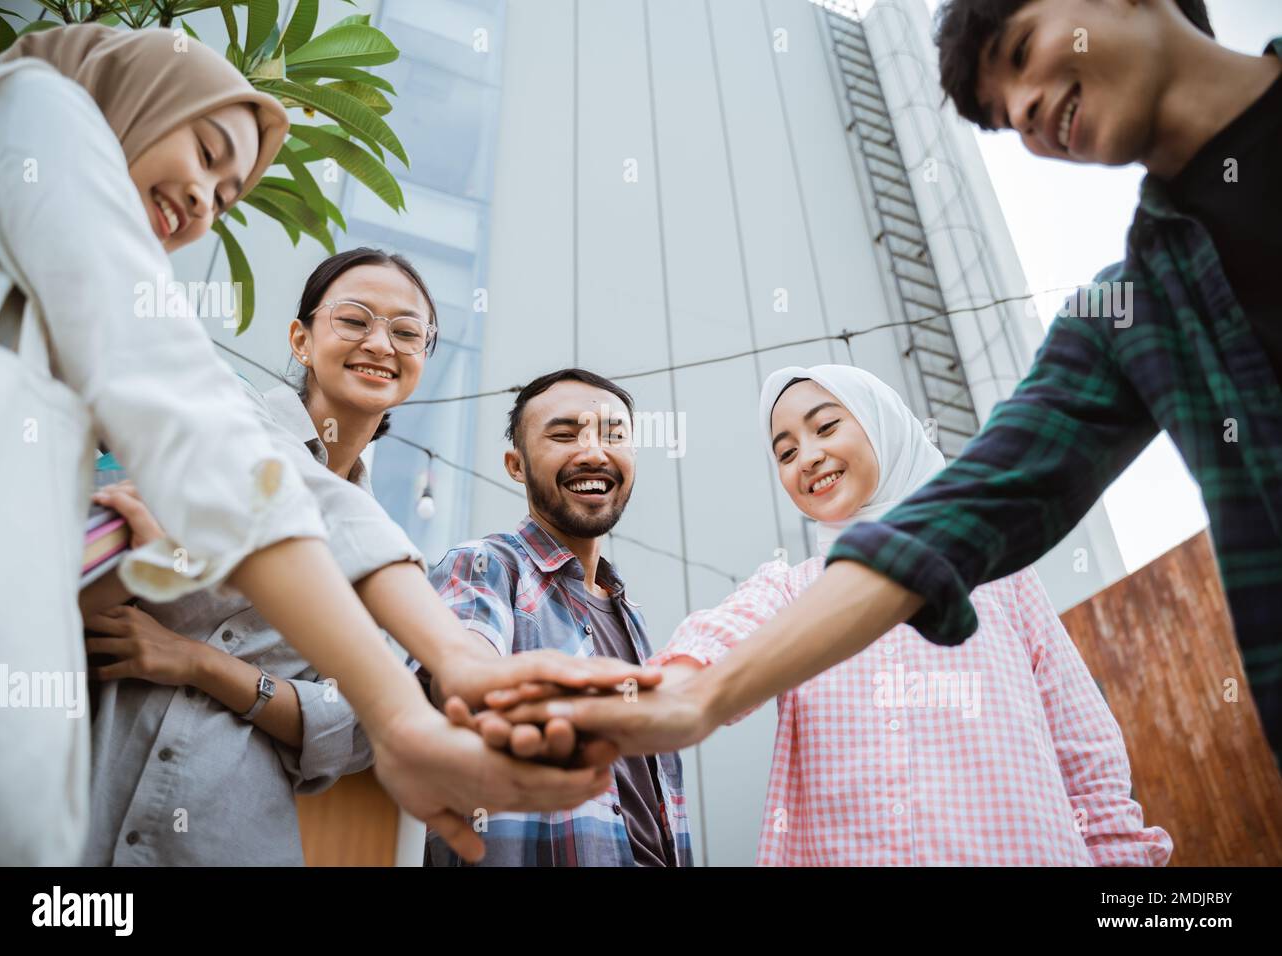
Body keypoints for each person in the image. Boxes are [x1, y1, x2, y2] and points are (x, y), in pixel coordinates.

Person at [478, 0, 1282, 771]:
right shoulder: (1132, 314)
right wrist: (697, 698)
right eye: (1007, 119)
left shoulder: (1023, 598)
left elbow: (1089, 762)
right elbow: (952, 520)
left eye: (1024, 53)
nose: (1031, 115)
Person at [0, 25, 618, 864]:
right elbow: (212, 448)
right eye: (206, 151)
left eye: (228, 190)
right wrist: (412, 689)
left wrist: (435, 669)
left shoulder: (381, 528)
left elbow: (337, 691)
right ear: (301, 335)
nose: (208, 200)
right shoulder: (36, 107)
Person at [649, 366, 1170, 865]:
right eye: (785, 453)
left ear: (885, 426)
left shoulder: (995, 571)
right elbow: (724, 635)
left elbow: (1083, 744)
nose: (806, 457)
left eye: (826, 426)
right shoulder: (794, 587)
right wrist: (661, 689)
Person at [422, 368, 692, 866]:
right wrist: (476, 681)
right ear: (516, 465)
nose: (593, 453)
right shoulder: (487, 564)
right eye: (565, 435)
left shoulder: (633, 619)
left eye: (614, 436)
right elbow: (460, 668)